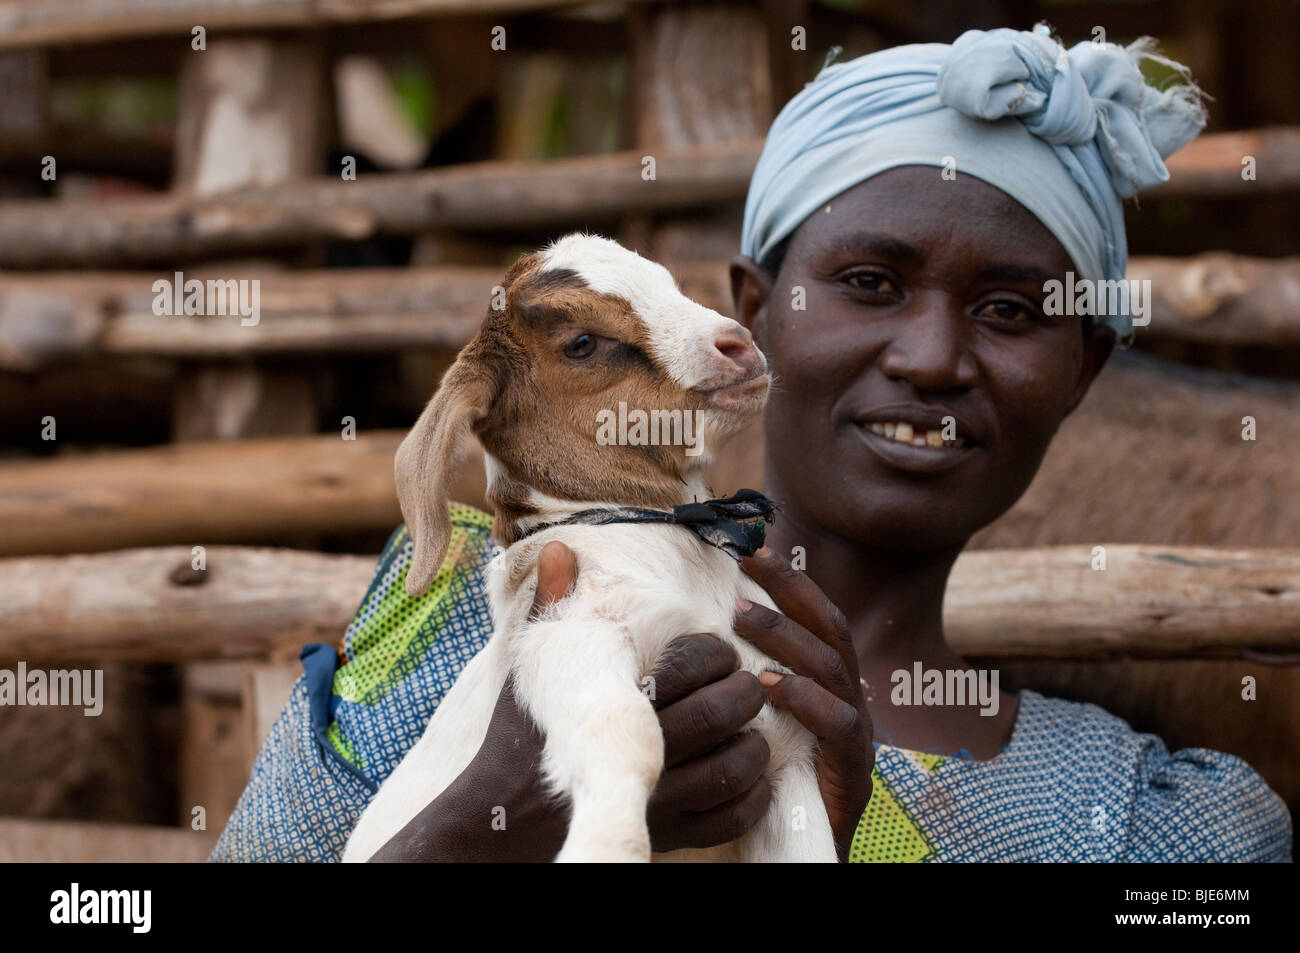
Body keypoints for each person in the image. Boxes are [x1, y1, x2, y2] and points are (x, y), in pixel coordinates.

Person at [211, 25, 1292, 862]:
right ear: (751, 314)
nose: (929, 356)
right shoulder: (446, 621)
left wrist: (856, 830)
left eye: (1011, 311)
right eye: (869, 283)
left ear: (1082, 370)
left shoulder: (1147, 825)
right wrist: (498, 813)